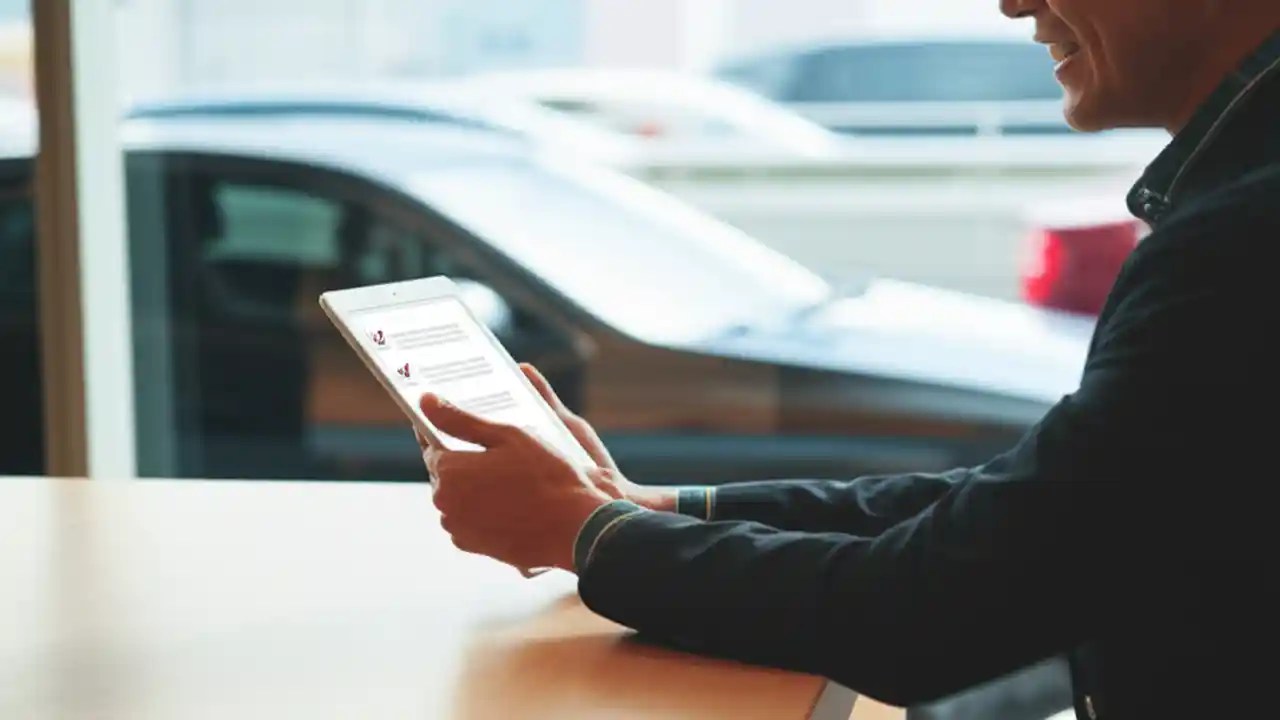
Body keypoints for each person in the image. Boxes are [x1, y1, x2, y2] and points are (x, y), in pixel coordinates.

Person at [418, 2, 1280, 718]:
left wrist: (586, 536)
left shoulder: (1239, 242)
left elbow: (930, 609)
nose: (1015, 2)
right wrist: (651, 509)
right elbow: (1026, 513)